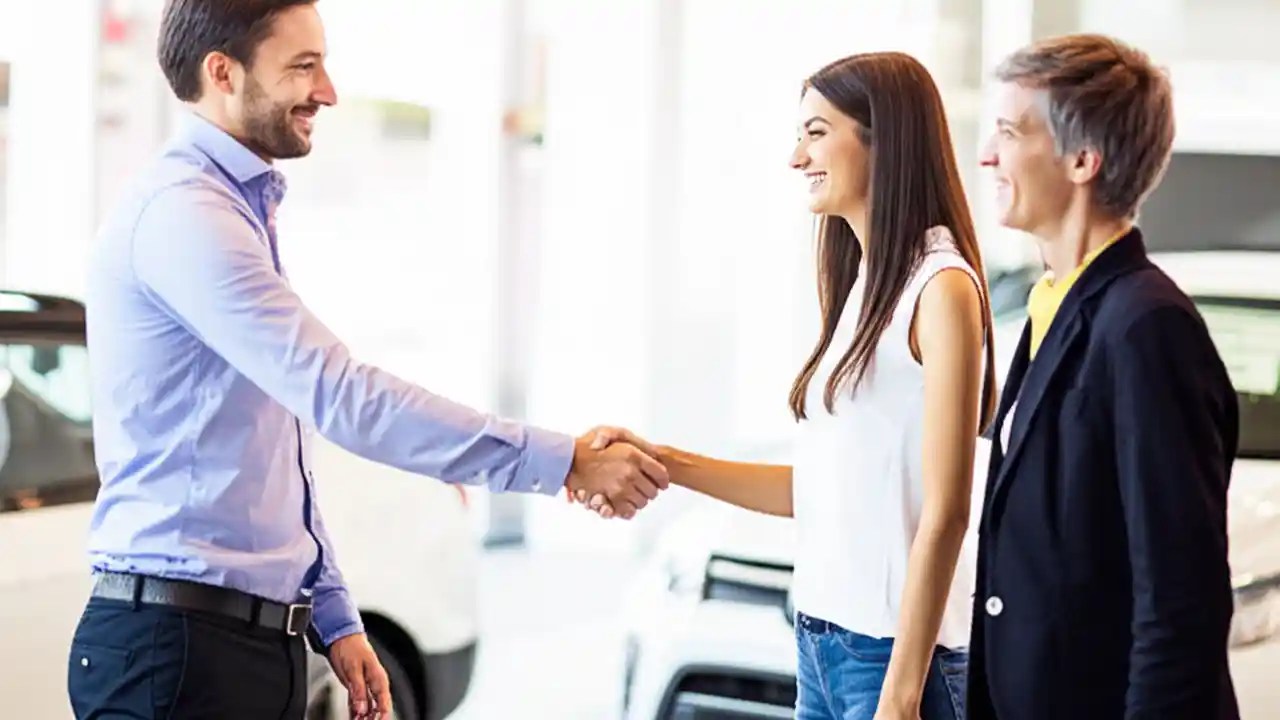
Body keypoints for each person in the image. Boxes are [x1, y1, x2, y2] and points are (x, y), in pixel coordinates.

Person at [71, 2, 667, 719]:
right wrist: (564, 459)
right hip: (179, 655)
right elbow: (343, 396)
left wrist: (332, 614)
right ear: (222, 72)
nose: (328, 91)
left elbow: (275, 449)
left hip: (240, 644)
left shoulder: (230, 211)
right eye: (303, 66)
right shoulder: (184, 216)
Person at [585, 51, 996, 720]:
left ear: (882, 139)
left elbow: (947, 511)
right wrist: (664, 462)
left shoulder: (941, 288)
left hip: (889, 662)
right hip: (820, 646)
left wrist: (900, 693)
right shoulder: (864, 286)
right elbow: (814, 491)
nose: (796, 157)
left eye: (815, 132)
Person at [965, 34, 1240, 719]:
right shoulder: (1054, 304)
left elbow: (1181, 601)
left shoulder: (1147, 327)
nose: (986, 155)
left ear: (1083, 160)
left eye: (1009, 132)